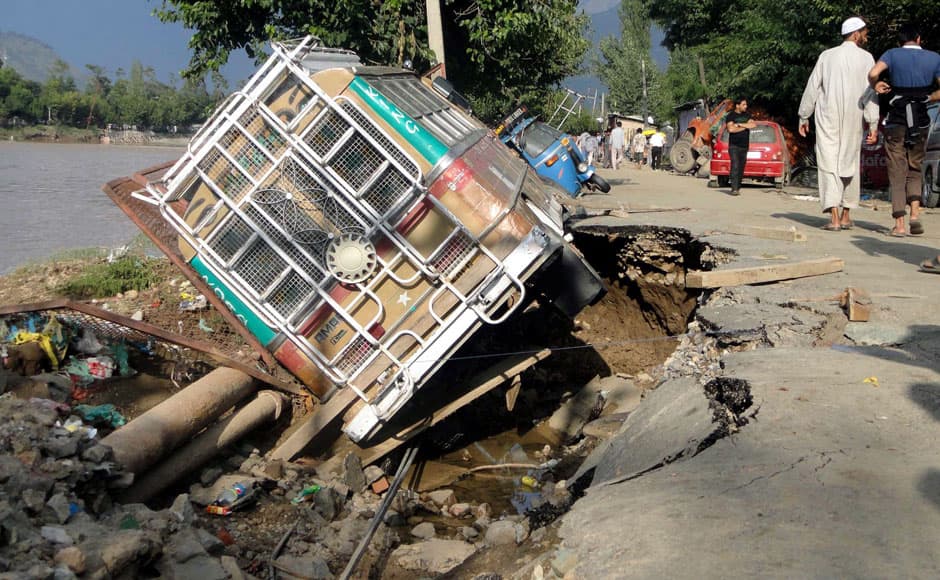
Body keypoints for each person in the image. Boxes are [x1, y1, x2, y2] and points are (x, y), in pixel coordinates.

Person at [798, 16, 880, 231]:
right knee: (850, 164)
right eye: (864, 32)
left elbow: (813, 86)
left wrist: (804, 115)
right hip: (855, 117)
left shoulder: (827, 56)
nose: (866, 36)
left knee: (828, 164)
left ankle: (833, 218)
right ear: (855, 34)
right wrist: (873, 124)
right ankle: (845, 216)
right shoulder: (867, 59)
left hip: (828, 118)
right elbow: (871, 94)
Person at [868, 23, 940, 237]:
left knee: (897, 170)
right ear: (918, 39)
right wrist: (930, 97)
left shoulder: (892, 54)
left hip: (896, 120)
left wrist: (876, 84)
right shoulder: (934, 57)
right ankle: (915, 215)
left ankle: (899, 225)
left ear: (901, 41)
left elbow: (873, 73)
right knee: (915, 167)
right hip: (921, 120)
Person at [724, 98, 757, 195]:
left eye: (746, 104)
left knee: (741, 167)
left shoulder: (747, 115)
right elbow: (731, 129)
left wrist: (739, 125)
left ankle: (738, 186)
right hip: (734, 146)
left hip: (744, 146)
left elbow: (753, 125)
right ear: (737, 105)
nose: (745, 106)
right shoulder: (731, 116)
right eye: (743, 104)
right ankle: (734, 188)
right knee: (735, 166)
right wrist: (745, 126)